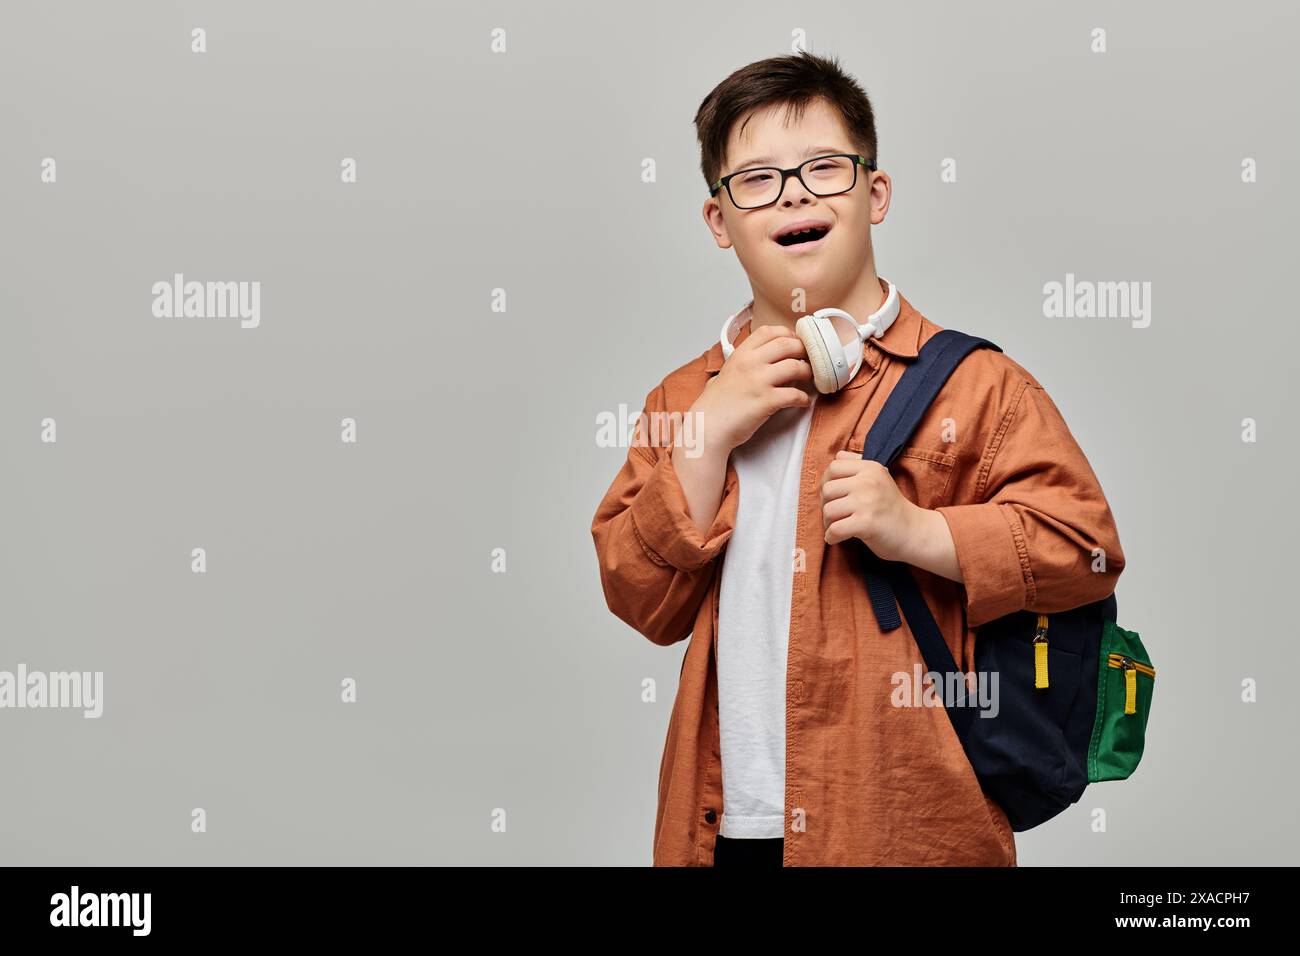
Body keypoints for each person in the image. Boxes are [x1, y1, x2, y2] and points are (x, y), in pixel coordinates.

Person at [590, 50, 1125, 867]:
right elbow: (641, 601)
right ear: (718, 220)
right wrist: (706, 436)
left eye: (823, 168)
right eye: (757, 179)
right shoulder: (684, 399)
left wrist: (918, 531)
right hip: (723, 830)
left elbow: (1088, 551)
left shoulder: (978, 386)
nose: (793, 193)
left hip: (902, 830)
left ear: (875, 194)